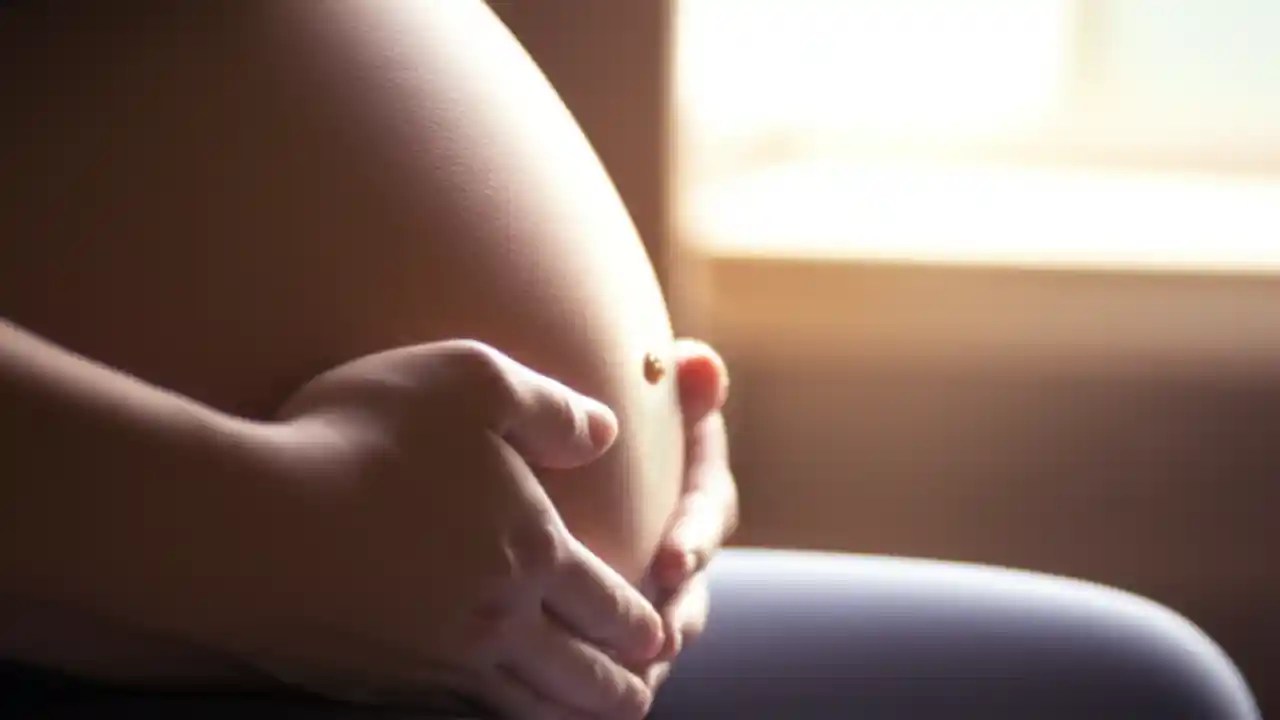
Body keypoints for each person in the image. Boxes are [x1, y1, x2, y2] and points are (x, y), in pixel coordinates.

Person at [0, 2, 1261, 718]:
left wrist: (642, 403)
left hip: (508, 640)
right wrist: (245, 533)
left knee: (1137, 690)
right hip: (155, 629)